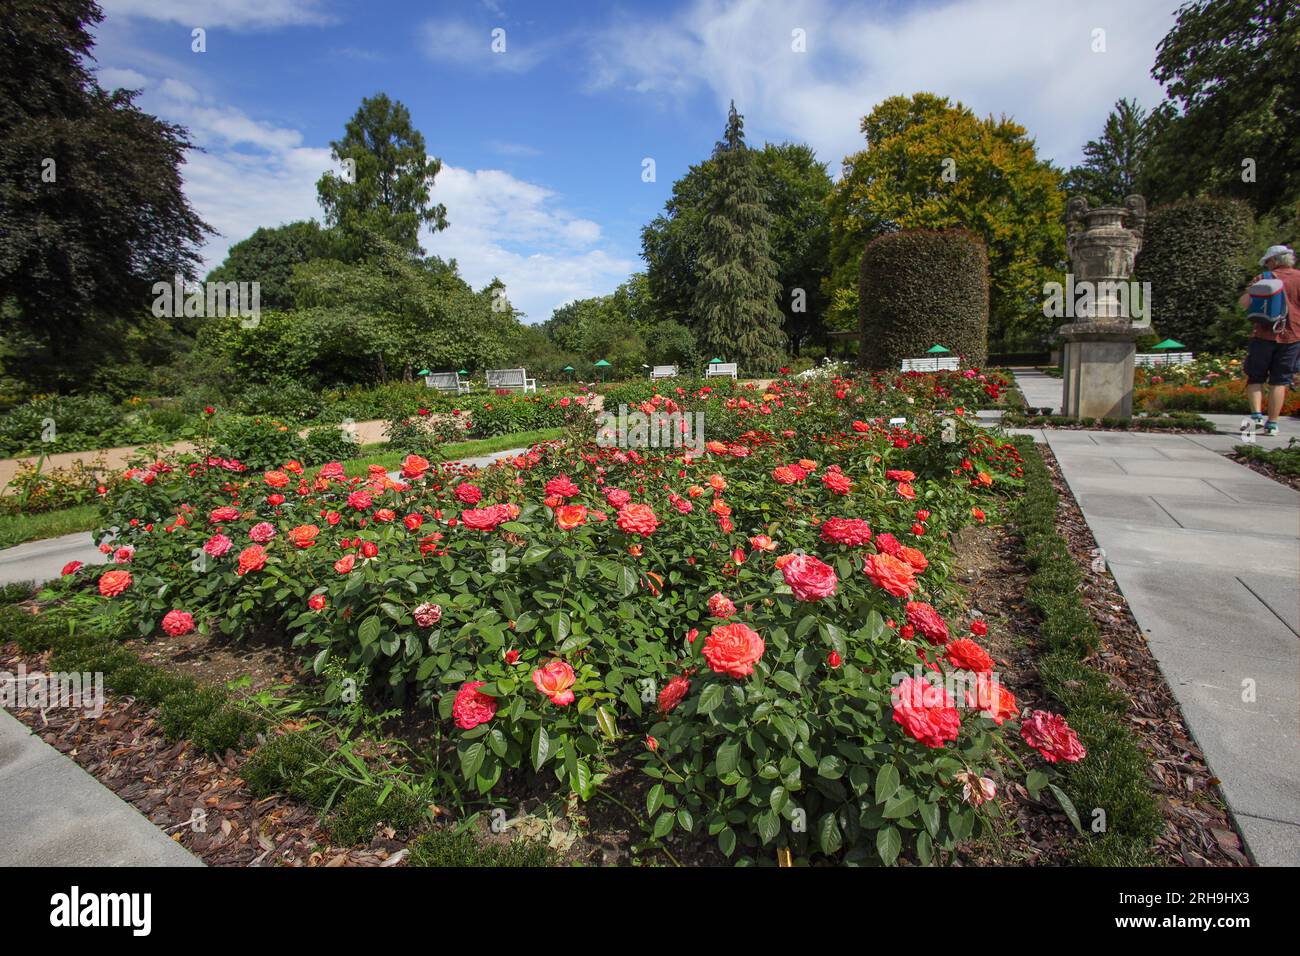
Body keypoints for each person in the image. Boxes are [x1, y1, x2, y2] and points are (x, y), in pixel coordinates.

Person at [1240, 244, 1300, 436]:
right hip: (1293, 336)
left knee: (1255, 377)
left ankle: (1256, 416)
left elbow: (1244, 304)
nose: (1266, 265)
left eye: (1267, 261)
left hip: (1263, 335)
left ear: (1274, 261)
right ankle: (1272, 424)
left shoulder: (1263, 279)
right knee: (1279, 381)